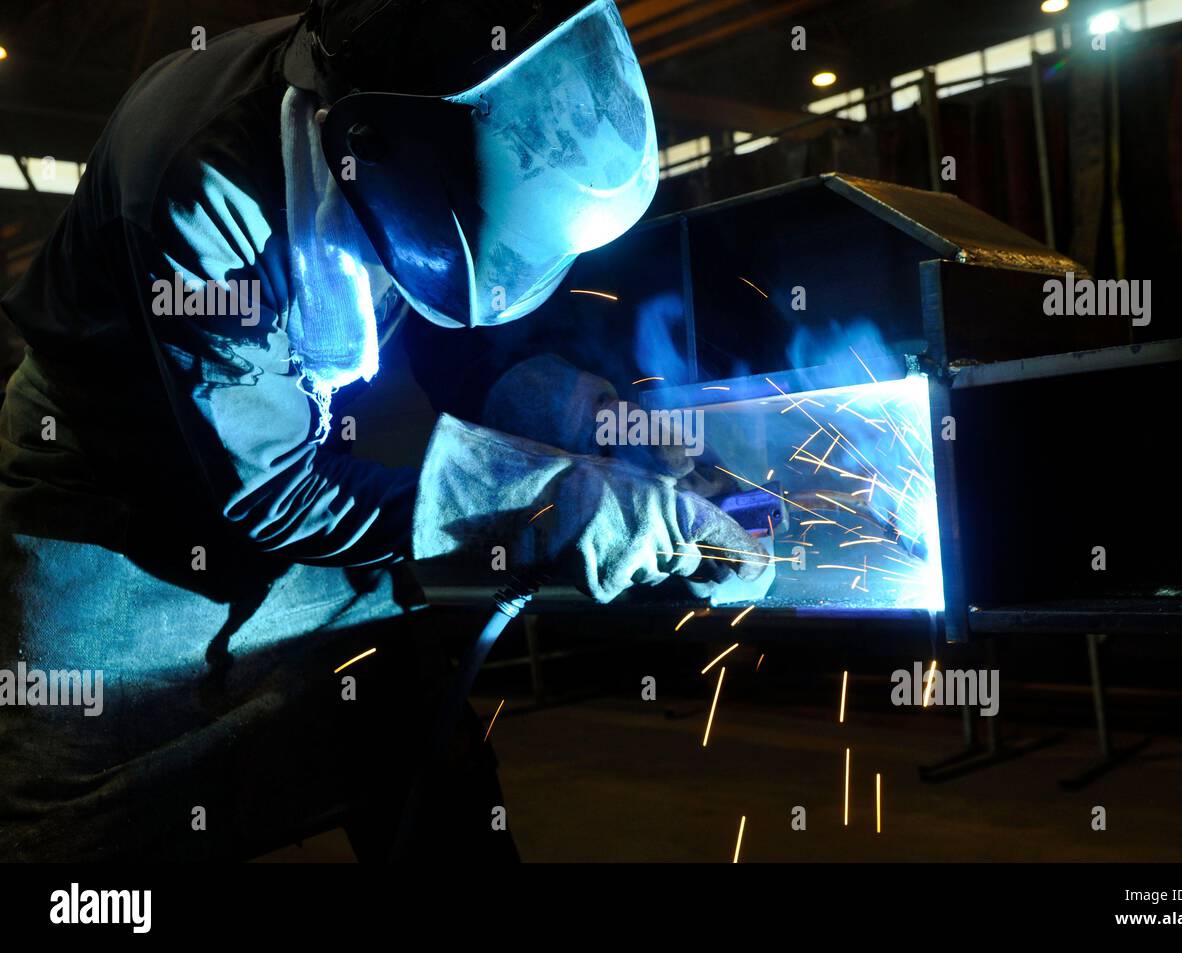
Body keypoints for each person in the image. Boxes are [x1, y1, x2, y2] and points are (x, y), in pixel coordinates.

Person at [0, 0, 762, 861]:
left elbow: (470, 315)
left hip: (293, 526)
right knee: (80, 857)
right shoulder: (199, 189)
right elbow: (277, 487)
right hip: (111, 547)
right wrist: (538, 498)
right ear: (376, 147)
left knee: (428, 765)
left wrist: (577, 413)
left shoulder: (439, 120)